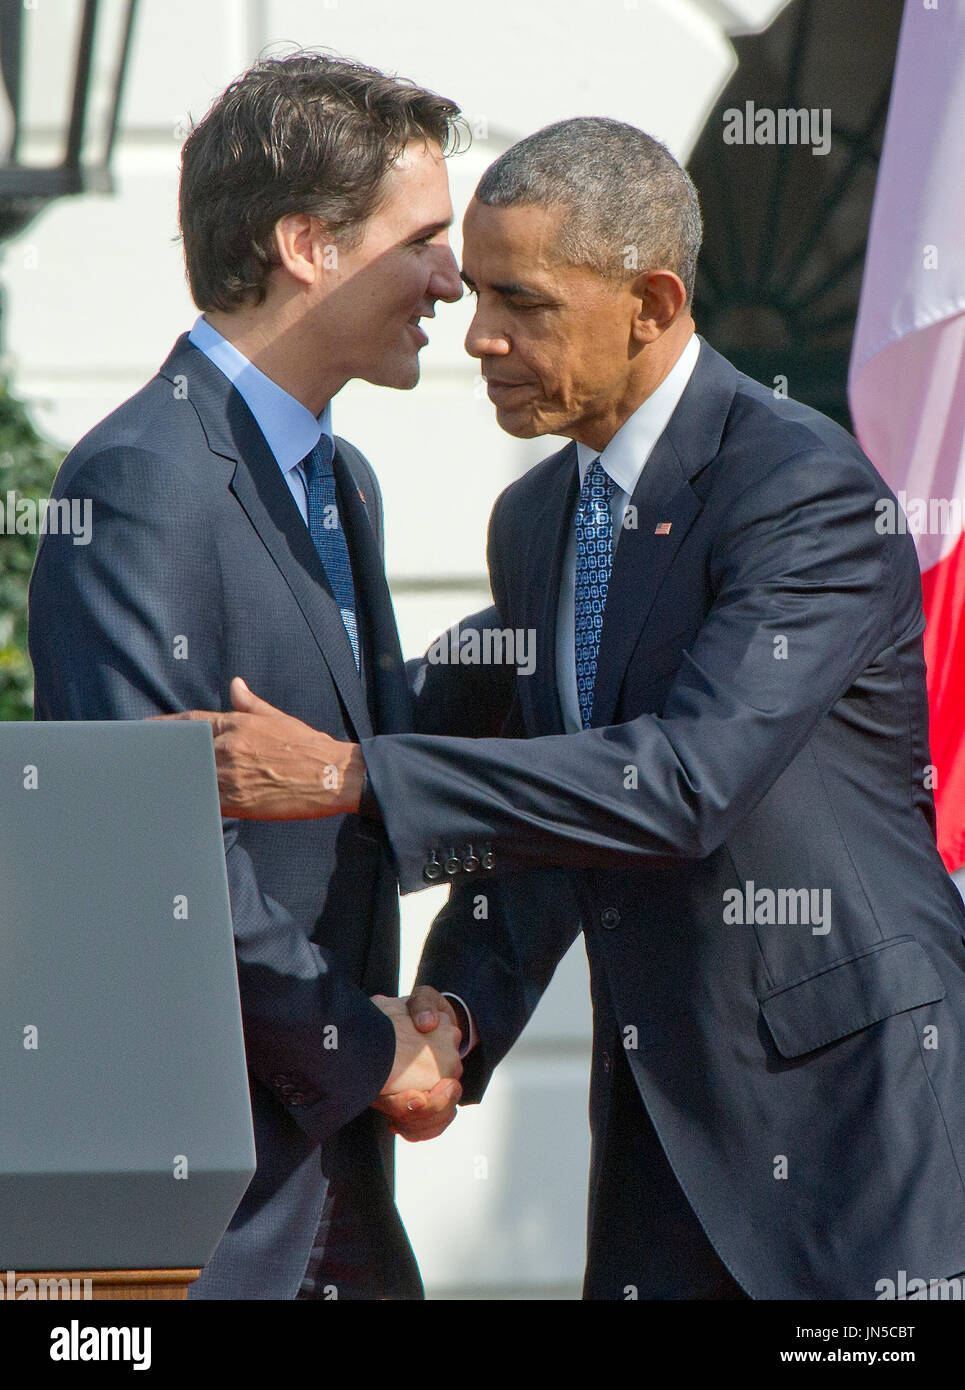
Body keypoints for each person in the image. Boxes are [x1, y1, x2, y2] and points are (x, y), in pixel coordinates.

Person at [173, 117, 965, 1299]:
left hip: (857, 1135)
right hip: (656, 1127)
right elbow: (558, 805)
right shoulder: (539, 520)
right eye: (476, 291)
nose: (478, 335)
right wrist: (458, 1011)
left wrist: (350, 773)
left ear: (649, 303)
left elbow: (680, 783)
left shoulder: (803, 494)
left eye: (523, 302)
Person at [27, 51, 470, 1301]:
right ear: (306, 244)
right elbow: (155, 852)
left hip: (330, 1181)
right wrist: (366, 1043)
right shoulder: (142, 482)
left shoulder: (344, 480)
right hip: (211, 1207)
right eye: (422, 239)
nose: (450, 278)